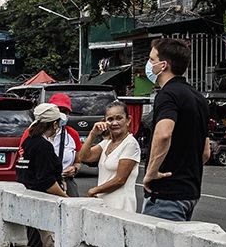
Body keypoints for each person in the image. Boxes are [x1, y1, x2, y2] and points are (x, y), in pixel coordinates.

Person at [139, 36, 208, 221]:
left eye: (152, 60)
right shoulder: (198, 98)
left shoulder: (167, 94)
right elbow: (206, 152)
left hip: (165, 194)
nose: (149, 64)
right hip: (190, 192)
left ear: (163, 65)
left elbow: (163, 134)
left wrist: (152, 171)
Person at [81, 106, 142, 213]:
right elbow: (84, 157)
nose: (114, 123)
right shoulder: (106, 143)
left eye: (119, 118)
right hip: (103, 205)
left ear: (128, 120)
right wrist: (92, 134)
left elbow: (120, 180)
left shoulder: (130, 144)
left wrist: (94, 190)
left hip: (121, 207)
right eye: (110, 119)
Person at [16, 102, 75, 195]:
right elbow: (46, 181)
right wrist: (65, 197)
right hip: (41, 196)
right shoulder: (44, 145)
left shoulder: (28, 141)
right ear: (55, 124)